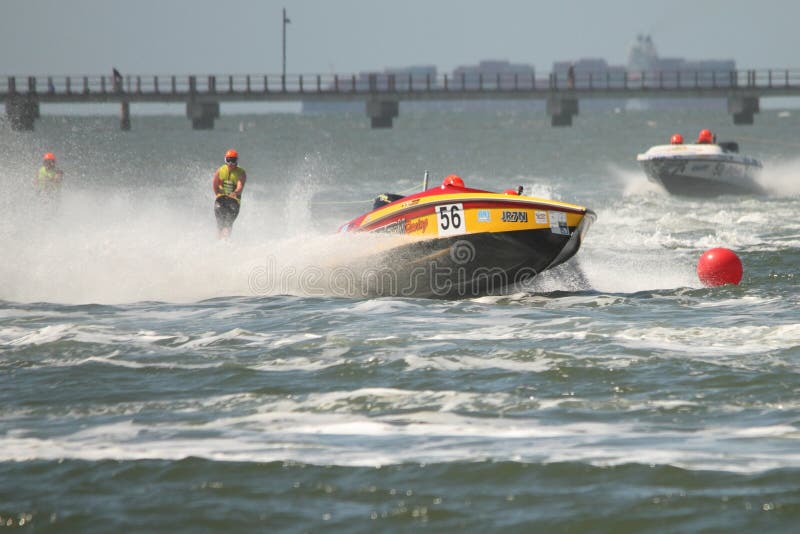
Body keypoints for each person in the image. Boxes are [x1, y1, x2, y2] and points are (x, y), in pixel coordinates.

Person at [212, 148, 247, 239]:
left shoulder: (241, 173)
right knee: (220, 225)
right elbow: (215, 183)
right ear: (225, 160)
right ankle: (219, 242)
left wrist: (235, 192)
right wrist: (218, 194)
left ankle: (226, 242)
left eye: (233, 160)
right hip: (221, 200)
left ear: (237, 161)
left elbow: (240, 186)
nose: (231, 163)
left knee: (228, 224)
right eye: (228, 160)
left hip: (234, 201)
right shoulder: (220, 170)